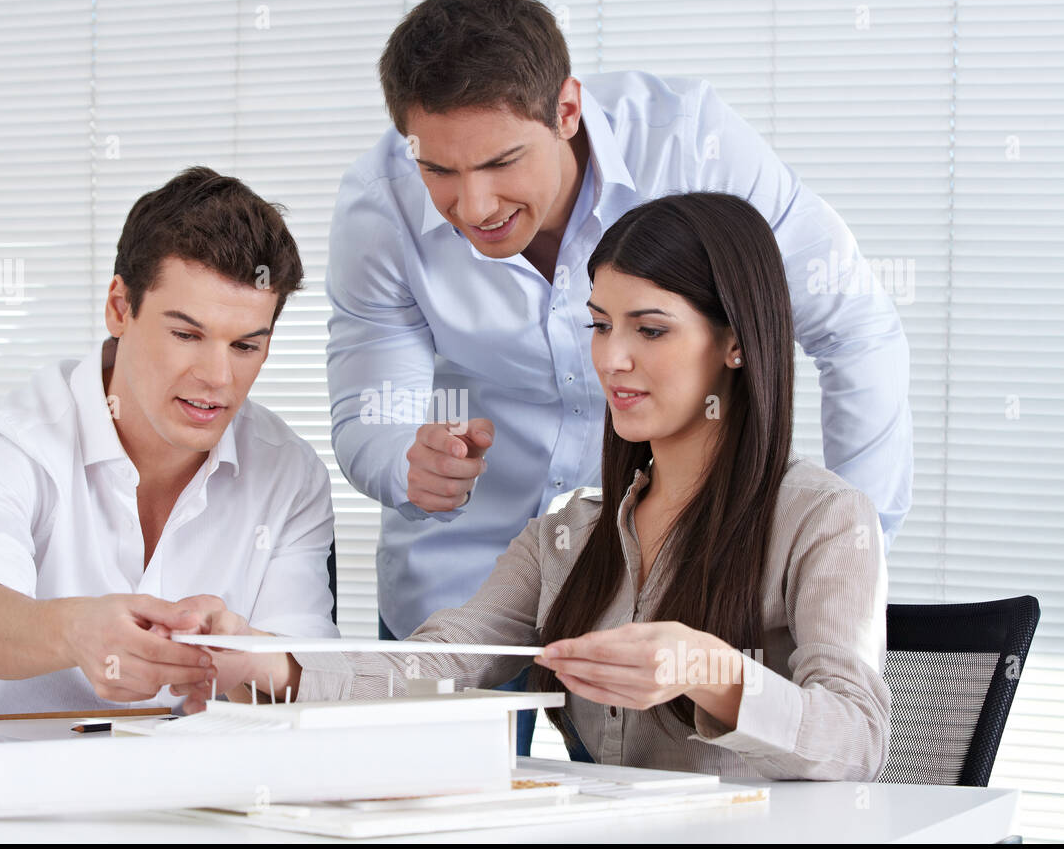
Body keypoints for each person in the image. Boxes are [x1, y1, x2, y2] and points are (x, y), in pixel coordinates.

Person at [324, 0, 910, 755]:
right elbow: (373, 410)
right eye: (440, 170)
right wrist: (404, 462)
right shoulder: (380, 208)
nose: (472, 205)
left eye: (502, 161)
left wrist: (845, 550)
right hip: (484, 574)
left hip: (710, 582)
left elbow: (856, 325)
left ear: (567, 111)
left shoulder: (691, 144)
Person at [184, 192, 891, 782]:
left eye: (650, 329)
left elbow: (857, 741)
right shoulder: (569, 535)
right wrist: (272, 663)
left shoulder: (824, 522)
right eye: (600, 325)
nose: (612, 359)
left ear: (735, 342)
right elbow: (445, 660)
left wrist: (705, 668)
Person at [0, 166, 339, 716]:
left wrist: (241, 655)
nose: (218, 377)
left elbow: (305, 680)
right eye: (186, 335)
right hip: (18, 786)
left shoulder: (290, 472)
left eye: (244, 346)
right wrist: (76, 631)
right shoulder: (13, 440)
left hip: (207, 791)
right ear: (121, 309)